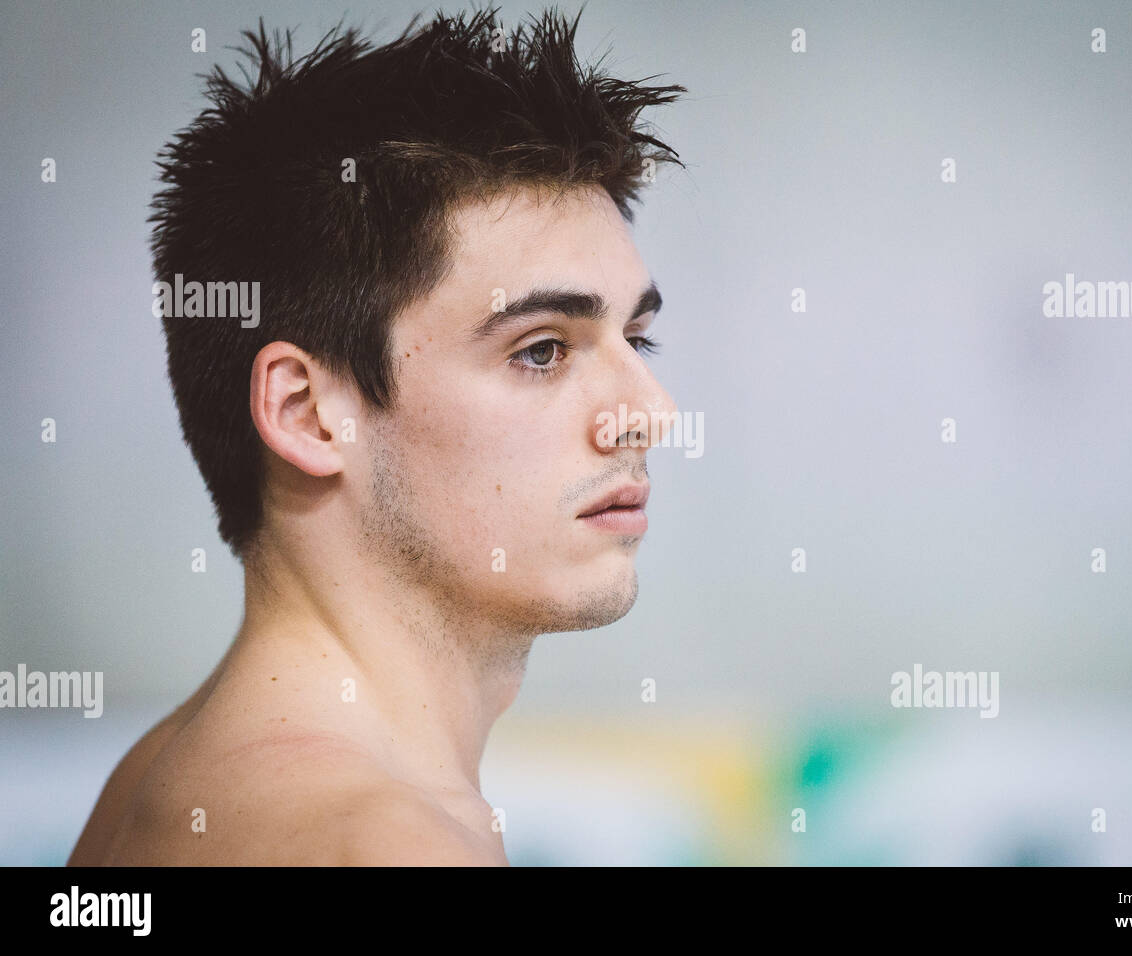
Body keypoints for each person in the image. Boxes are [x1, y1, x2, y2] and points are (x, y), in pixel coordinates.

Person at [68, 6, 684, 866]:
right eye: (541, 350)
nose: (649, 411)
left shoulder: (161, 781)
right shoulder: (388, 842)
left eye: (637, 338)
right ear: (307, 413)